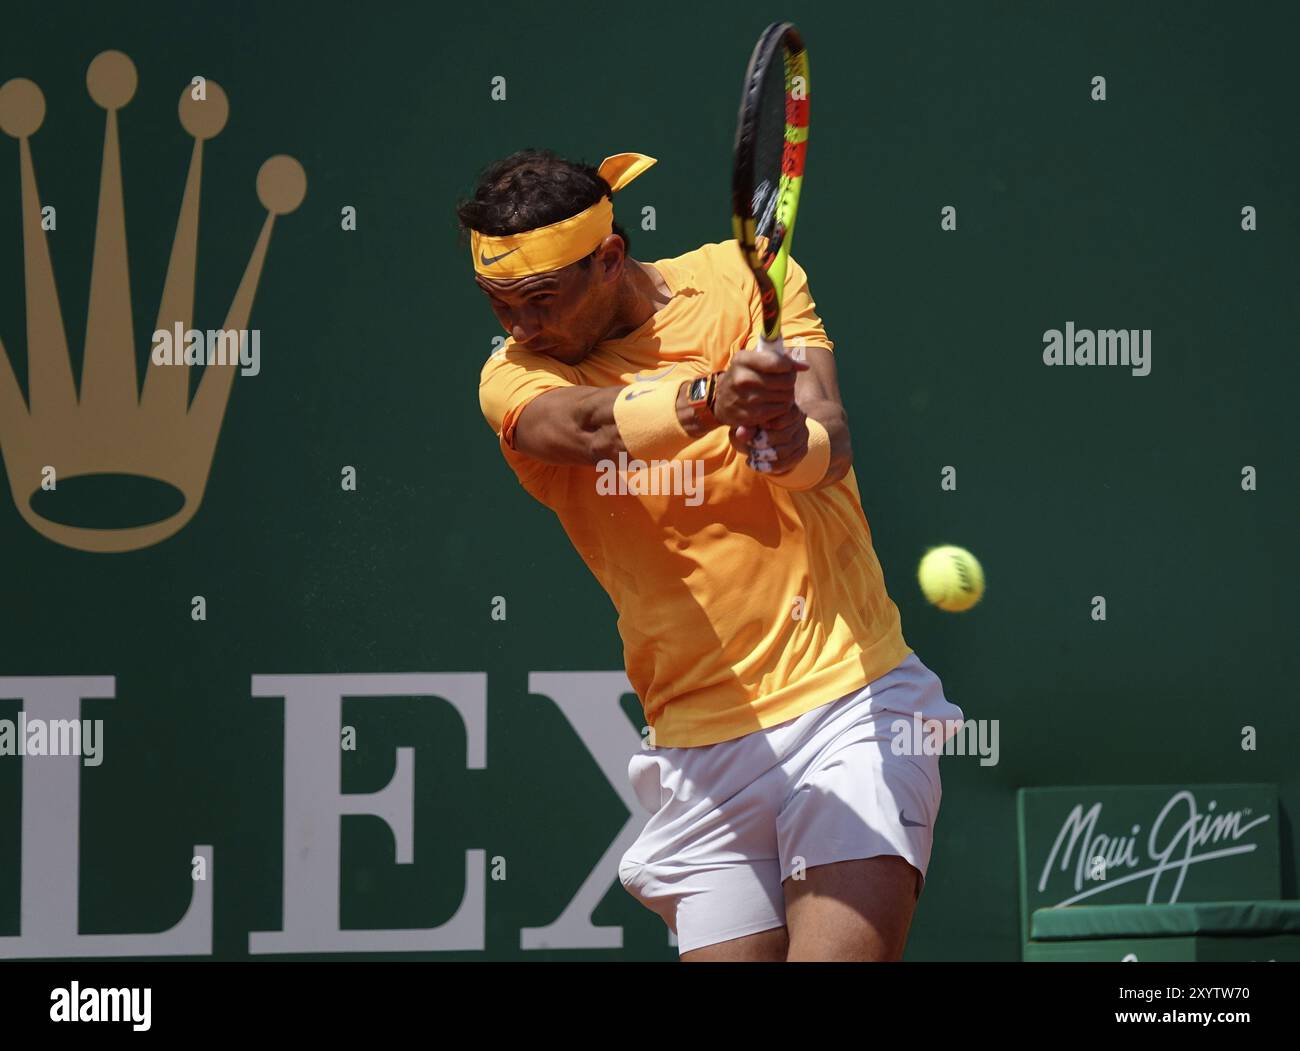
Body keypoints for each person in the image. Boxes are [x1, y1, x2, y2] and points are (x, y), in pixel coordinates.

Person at [461, 148, 964, 961]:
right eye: (497, 305)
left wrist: (787, 443)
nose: (520, 328)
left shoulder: (745, 278)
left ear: (612, 259)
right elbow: (585, 427)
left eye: (539, 301)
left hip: (849, 700)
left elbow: (828, 438)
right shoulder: (513, 377)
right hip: (696, 744)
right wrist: (712, 400)